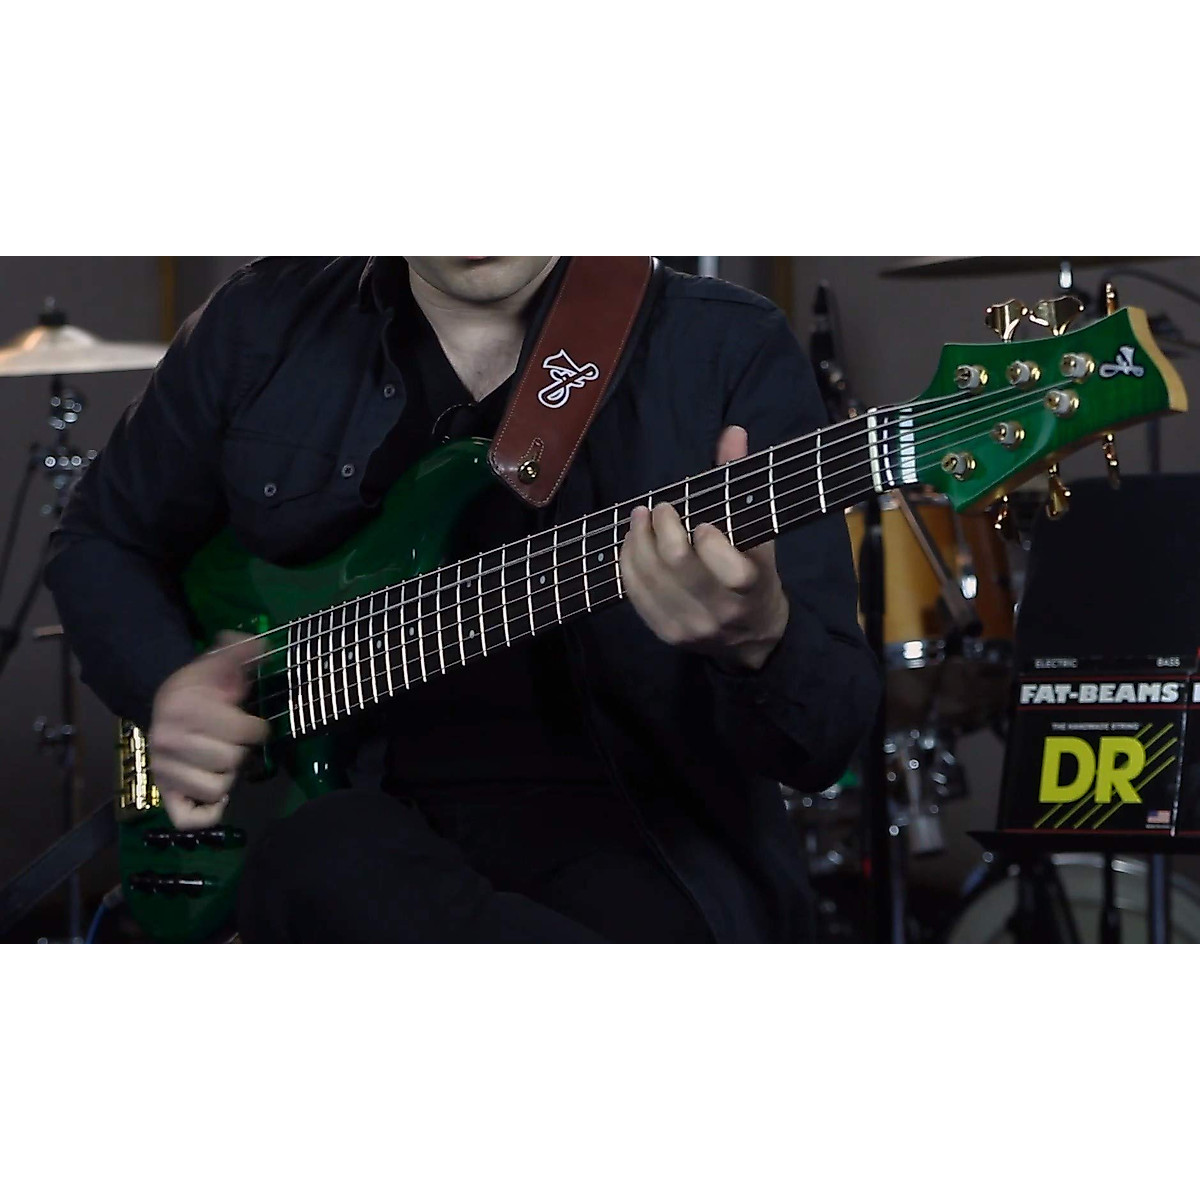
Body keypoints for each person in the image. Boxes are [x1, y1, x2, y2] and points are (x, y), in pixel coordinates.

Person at [46, 256, 880, 942]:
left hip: (637, 860)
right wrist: (169, 682)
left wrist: (758, 636)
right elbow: (99, 540)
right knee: (331, 858)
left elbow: (826, 738)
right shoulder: (260, 323)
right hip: (332, 837)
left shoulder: (724, 346)